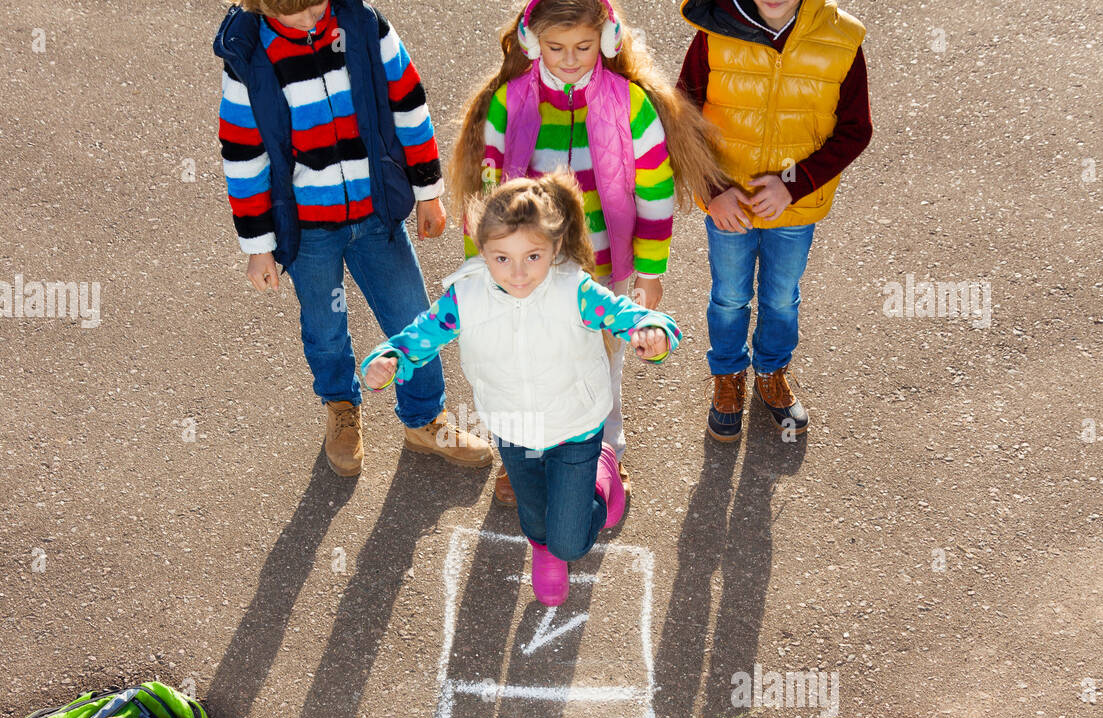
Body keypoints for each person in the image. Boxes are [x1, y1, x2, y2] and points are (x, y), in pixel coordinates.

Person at [360, 173, 682, 606]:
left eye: (533, 256)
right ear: (483, 249)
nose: (518, 272)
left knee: (572, 540)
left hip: (575, 426)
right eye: (502, 258)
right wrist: (390, 358)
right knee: (533, 513)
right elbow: (420, 337)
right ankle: (543, 547)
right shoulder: (466, 297)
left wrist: (653, 331)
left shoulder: (576, 290)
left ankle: (602, 480)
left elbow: (626, 314)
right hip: (512, 426)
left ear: (555, 247)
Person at [450, 0, 723, 503]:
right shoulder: (509, 102)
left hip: (605, 266)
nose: (569, 59)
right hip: (526, 268)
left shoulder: (631, 104)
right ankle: (523, 453)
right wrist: (477, 263)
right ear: (532, 43)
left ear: (608, 40)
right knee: (520, 360)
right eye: (555, 48)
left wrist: (651, 270)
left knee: (602, 364)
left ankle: (606, 451)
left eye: (583, 46)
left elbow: (656, 192)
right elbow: (484, 195)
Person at [214, 0, 493, 476]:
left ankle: (425, 417)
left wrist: (428, 193)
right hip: (308, 230)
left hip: (375, 215)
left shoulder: (364, 27)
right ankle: (341, 407)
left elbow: (409, 107)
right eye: (291, 16)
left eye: (314, 7)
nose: (308, 23)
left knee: (412, 316)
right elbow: (244, 156)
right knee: (325, 330)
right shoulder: (248, 56)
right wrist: (257, 246)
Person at [677, 0, 873, 441]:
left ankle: (772, 371)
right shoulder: (715, 28)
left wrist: (794, 182)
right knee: (729, 296)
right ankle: (728, 376)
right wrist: (712, 189)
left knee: (781, 296)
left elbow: (855, 129)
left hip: (795, 206)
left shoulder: (842, 37)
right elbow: (682, 113)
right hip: (728, 202)